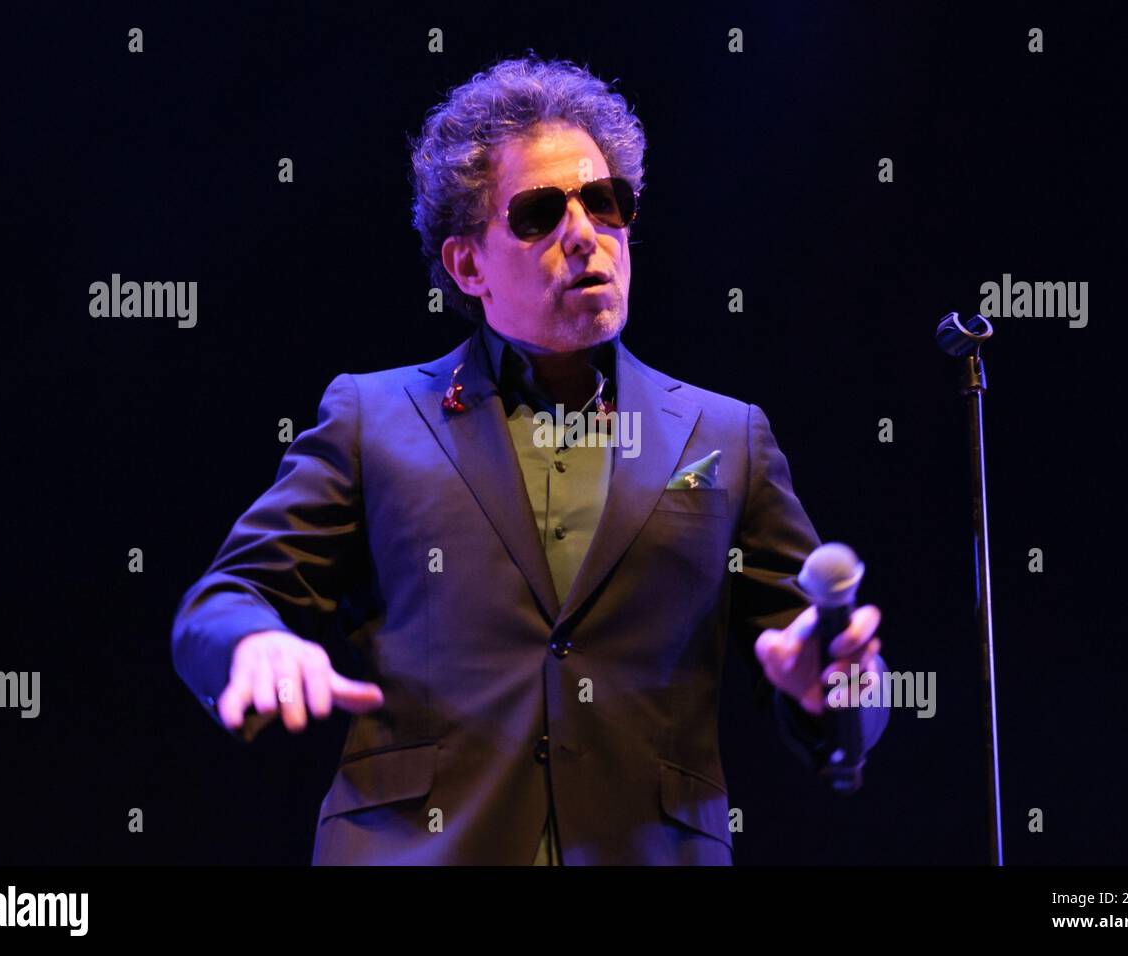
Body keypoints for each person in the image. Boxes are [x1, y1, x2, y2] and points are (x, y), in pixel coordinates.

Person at [171, 54, 889, 866]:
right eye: (541, 212)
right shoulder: (373, 418)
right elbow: (225, 598)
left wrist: (841, 687)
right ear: (467, 264)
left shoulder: (727, 436)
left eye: (606, 202)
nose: (585, 234)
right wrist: (252, 643)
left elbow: (841, 691)